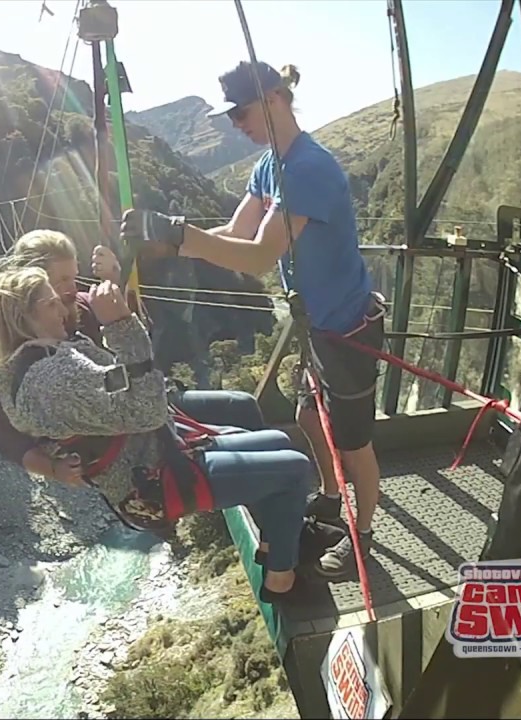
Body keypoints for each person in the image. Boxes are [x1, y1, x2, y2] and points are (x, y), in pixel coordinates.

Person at [117, 61, 387, 581]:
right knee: (312, 419)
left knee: (354, 444)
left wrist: (179, 235)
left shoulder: (308, 169)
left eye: (241, 113)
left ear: (276, 99)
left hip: (347, 329)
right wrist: (165, 243)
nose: (235, 124)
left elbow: (260, 256)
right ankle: (332, 502)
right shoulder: (269, 168)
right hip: (319, 326)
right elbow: (237, 234)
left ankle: (363, 538)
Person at [0, 265, 316, 602]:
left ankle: (272, 549)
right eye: (51, 303)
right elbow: (145, 410)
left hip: (153, 459)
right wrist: (121, 325)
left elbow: (112, 387)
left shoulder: (41, 362)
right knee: (295, 468)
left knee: (279, 442)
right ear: (25, 317)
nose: (61, 309)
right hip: (155, 479)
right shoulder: (51, 379)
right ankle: (281, 582)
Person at [0, 230, 268, 488]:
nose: (71, 289)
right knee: (246, 436)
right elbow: (9, 439)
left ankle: (265, 507)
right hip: (130, 439)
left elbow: (132, 336)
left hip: (144, 399)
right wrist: (53, 468)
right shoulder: (20, 359)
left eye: (74, 276)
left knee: (242, 406)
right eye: (60, 281)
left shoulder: (84, 306)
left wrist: (113, 283)